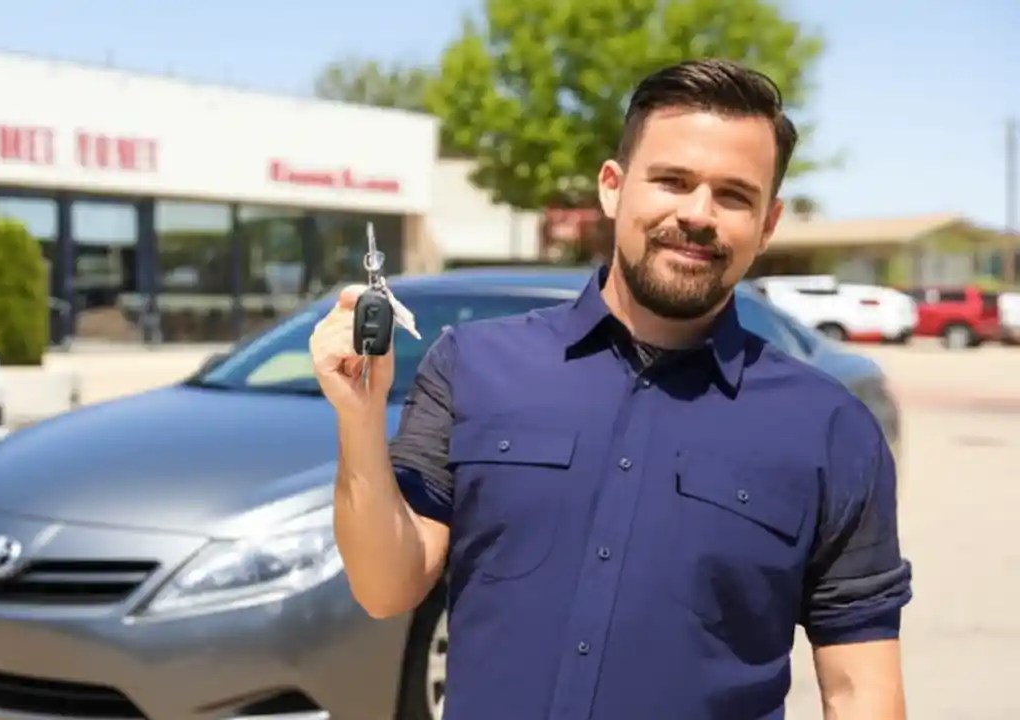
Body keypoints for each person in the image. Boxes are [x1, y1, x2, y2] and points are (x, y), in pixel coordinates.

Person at [309, 58, 912, 720]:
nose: (697, 214)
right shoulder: (473, 366)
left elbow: (861, 690)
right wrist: (358, 419)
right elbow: (386, 585)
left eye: (733, 195)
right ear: (612, 187)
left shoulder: (829, 430)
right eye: (672, 181)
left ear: (768, 224)